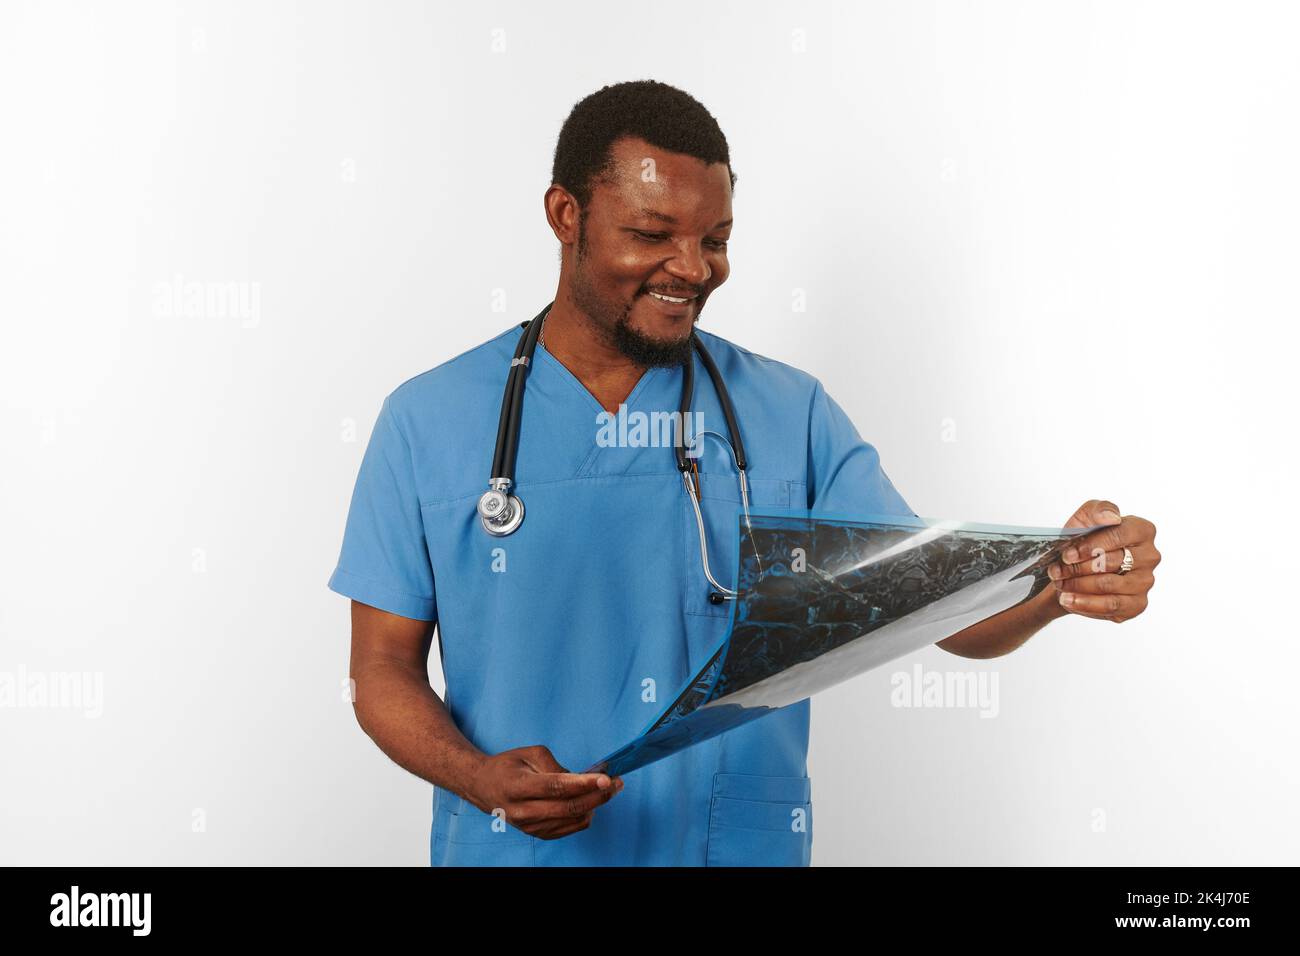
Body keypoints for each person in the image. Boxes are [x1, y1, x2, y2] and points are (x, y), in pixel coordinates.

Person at [327, 80, 1160, 866]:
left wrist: (1059, 580)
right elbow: (381, 672)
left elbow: (943, 615)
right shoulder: (428, 420)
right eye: (653, 235)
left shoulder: (787, 415)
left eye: (715, 240)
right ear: (565, 215)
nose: (693, 268)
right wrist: (477, 780)